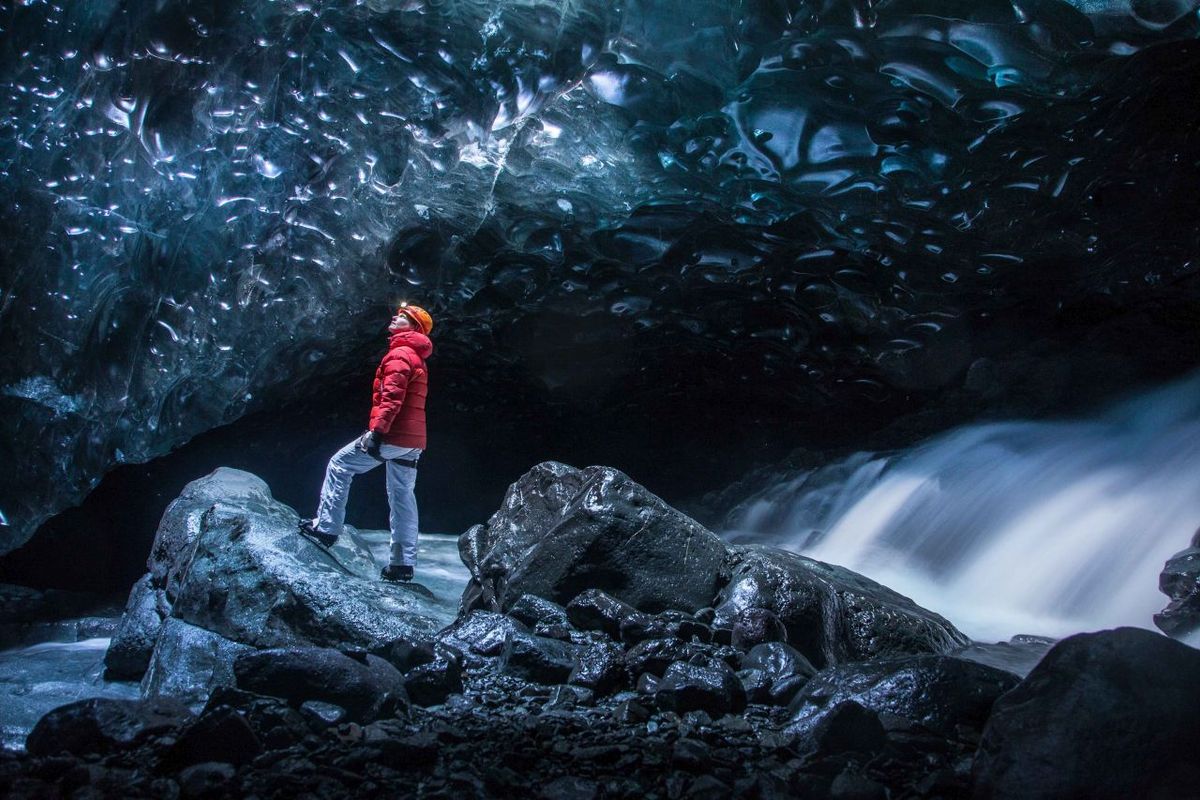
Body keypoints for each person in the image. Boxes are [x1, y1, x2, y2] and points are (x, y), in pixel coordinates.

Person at [298, 303, 434, 583]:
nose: (396, 317)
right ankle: (402, 564)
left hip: (393, 435)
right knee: (402, 496)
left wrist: (377, 433)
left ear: (413, 327)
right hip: (413, 441)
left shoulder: (399, 355)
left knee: (340, 465)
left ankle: (326, 528)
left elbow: (391, 399)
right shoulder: (417, 357)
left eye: (403, 317)